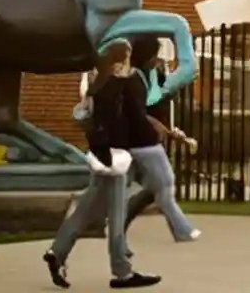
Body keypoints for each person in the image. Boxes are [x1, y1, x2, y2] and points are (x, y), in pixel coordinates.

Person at [43, 39, 162, 290]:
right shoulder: (130, 81)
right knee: (116, 215)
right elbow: (136, 119)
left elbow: (93, 117)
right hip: (117, 156)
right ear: (126, 57)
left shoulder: (99, 82)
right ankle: (122, 272)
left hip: (99, 154)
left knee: (86, 209)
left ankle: (57, 251)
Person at [122, 34, 201, 242]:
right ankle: (182, 230)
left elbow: (160, 103)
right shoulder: (134, 78)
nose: (157, 59)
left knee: (153, 188)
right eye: (154, 55)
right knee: (164, 184)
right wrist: (157, 125)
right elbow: (138, 110)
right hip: (143, 140)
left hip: (149, 137)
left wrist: (170, 129)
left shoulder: (152, 75)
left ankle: (117, 225)